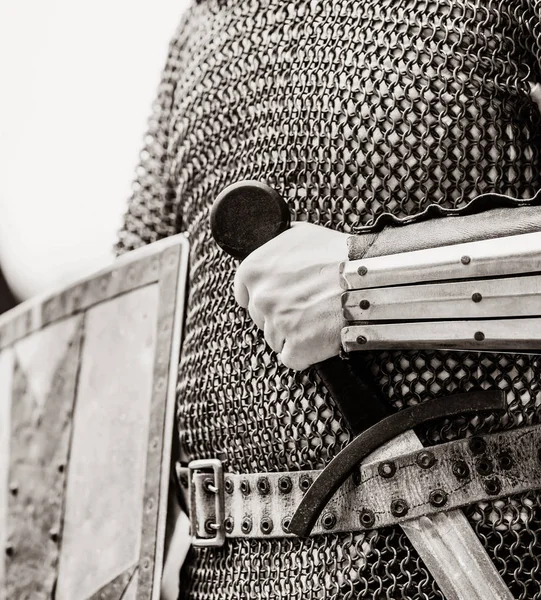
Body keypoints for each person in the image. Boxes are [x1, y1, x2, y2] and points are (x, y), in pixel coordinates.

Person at [116, 0, 541, 598]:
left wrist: (364, 286)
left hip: (491, 543)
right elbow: (128, 345)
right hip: (227, 577)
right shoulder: (204, 21)